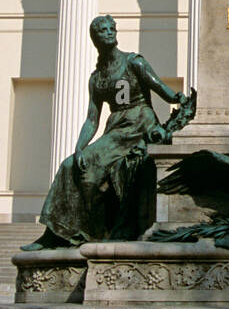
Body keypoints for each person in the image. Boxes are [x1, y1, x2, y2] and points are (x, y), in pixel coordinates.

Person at [21, 16, 193, 250]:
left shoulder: (134, 62)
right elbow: (92, 119)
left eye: (112, 28)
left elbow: (161, 88)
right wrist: (79, 147)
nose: (109, 33)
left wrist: (181, 100)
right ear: (95, 38)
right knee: (70, 165)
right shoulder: (97, 78)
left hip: (139, 123)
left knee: (88, 168)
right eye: (103, 30)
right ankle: (56, 232)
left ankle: (77, 233)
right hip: (116, 128)